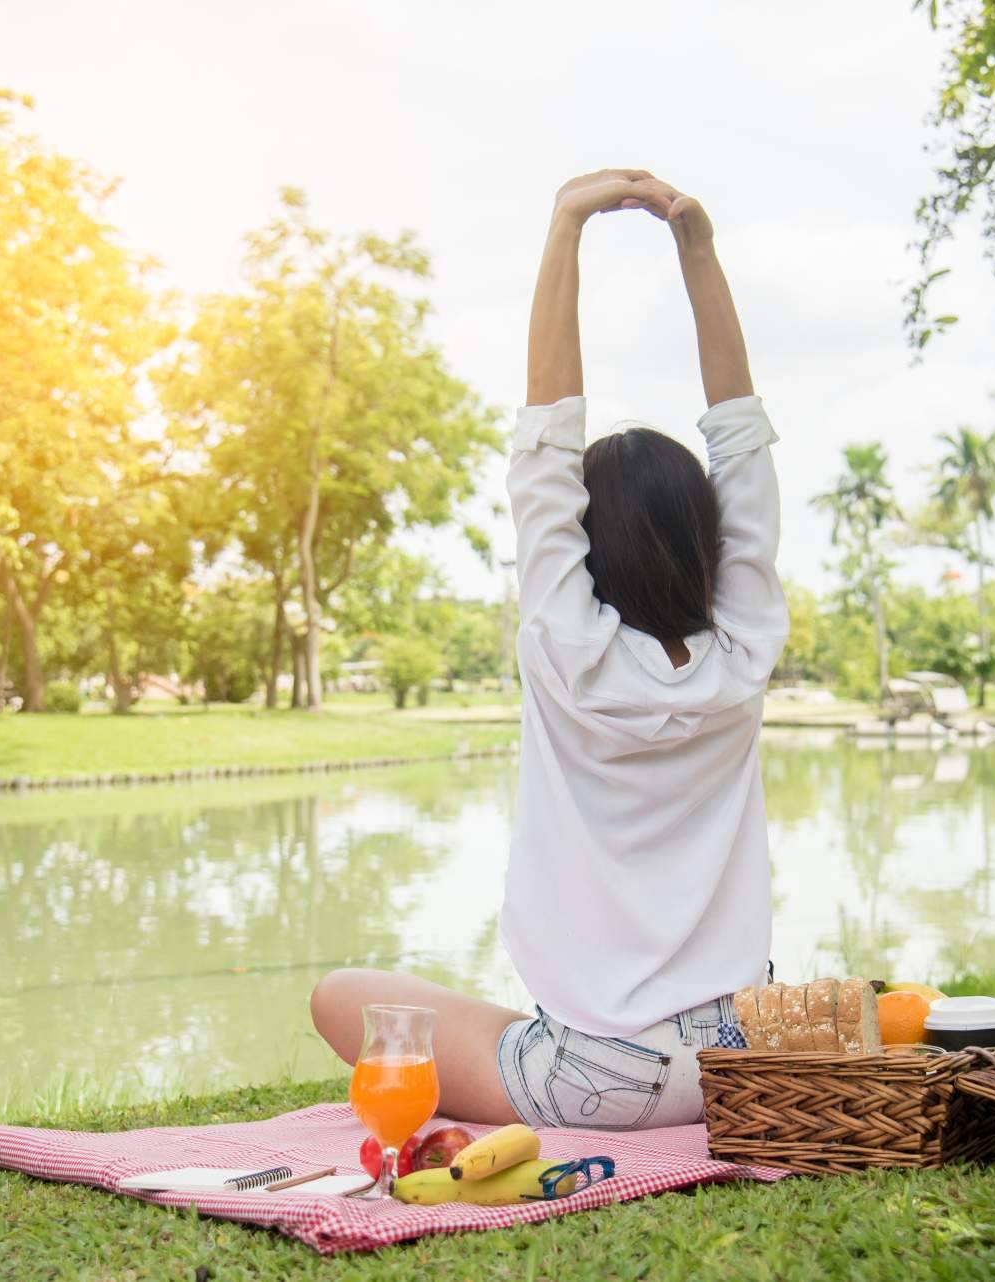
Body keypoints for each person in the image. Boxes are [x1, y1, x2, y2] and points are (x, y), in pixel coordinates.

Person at [309, 170, 787, 1129]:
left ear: (586, 549)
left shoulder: (570, 651)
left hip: (591, 1082)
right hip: (739, 1061)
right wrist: (699, 253)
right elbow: (743, 448)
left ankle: (558, 1039)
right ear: (709, 546)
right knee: (487, 1015)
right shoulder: (745, 652)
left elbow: (544, 445)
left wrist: (565, 225)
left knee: (339, 993)